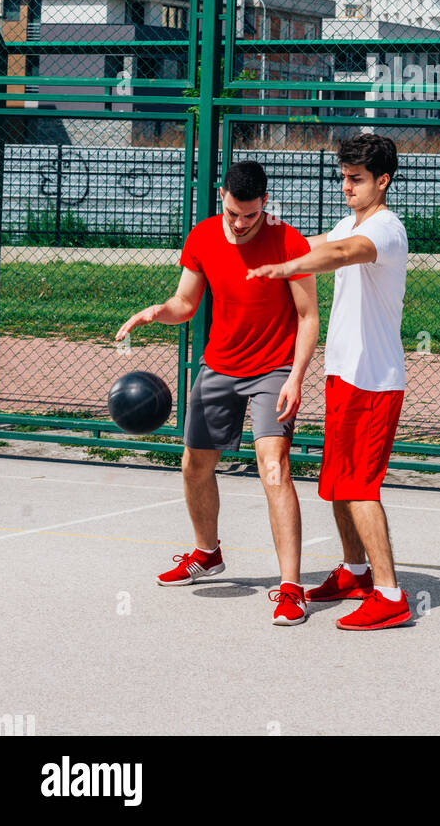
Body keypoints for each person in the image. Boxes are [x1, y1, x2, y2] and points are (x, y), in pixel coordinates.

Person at [114, 159, 319, 627]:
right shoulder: (203, 236)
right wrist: (154, 312)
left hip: (275, 368)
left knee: (273, 469)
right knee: (193, 465)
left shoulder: (290, 242)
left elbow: (308, 317)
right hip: (220, 364)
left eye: (250, 215)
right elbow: (185, 303)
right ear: (221, 196)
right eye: (233, 213)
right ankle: (207, 553)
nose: (241, 223)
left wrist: (296, 377)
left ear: (265, 203)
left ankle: (290, 588)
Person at [247, 132, 410, 631]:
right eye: (343, 178)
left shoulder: (385, 229)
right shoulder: (349, 221)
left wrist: (287, 266)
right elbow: (315, 242)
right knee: (339, 483)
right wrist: (256, 230)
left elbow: (338, 254)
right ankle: (356, 571)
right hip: (342, 376)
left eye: (357, 179)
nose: (347, 187)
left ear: (383, 181)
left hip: (374, 381)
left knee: (361, 486)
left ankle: (390, 594)